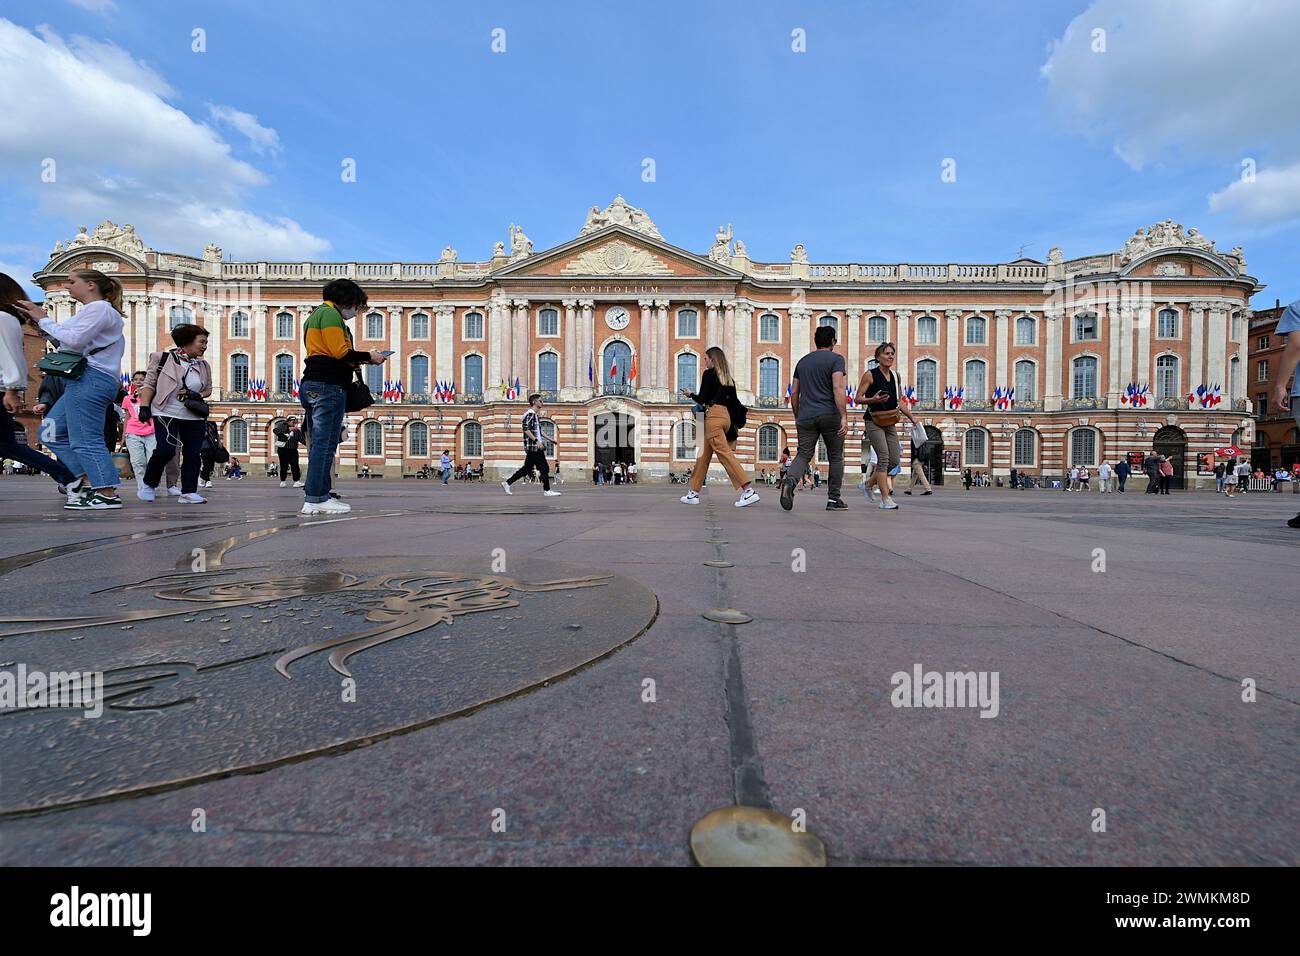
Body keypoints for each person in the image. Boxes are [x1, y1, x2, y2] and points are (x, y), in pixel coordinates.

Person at [13, 269, 126, 510]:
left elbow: (73, 341)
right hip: (82, 379)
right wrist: (42, 325)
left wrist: (44, 318)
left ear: (91, 285)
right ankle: (86, 479)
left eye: (73, 281)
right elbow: (68, 342)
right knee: (50, 433)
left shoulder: (100, 309)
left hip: (91, 378)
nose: (67, 285)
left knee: (86, 438)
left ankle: (106, 492)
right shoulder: (91, 311)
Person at [299, 280, 386, 515]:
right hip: (328, 385)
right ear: (347, 300)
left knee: (321, 443)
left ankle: (320, 495)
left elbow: (332, 352)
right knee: (325, 444)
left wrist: (365, 358)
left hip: (315, 383)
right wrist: (370, 355)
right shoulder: (329, 315)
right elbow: (340, 352)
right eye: (357, 306)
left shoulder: (316, 316)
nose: (356, 312)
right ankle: (316, 498)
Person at [0, 272, 83, 492]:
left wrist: (12, 390)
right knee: (9, 446)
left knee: (10, 447)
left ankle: (70, 478)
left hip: (1, 390)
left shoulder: (3, 318)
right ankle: (69, 478)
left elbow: (11, 356)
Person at [135, 322, 213, 504]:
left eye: (206, 342)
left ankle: (188, 492)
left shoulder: (204, 365)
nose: (204, 346)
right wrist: (145, 407)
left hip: (193, 414)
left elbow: (208, 390)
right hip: (165, 412)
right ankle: (149, 484)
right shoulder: (161, 359)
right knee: (165, 449)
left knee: (193, 453)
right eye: (201, 341)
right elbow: (149, 383)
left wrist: (196, 394)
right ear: (187, 341)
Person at [679, 346, 759, 508]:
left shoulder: (709, 374)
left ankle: (748, 490)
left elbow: (702, 399)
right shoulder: (728, 379)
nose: (705, 361)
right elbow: (734, 403)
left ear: (713, 359)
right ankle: (693, 493)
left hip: (713, 416)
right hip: (725, 417)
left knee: (724, 453)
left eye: (706, 358)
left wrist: (690, 394)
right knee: (703, 455)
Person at [780, 326, 845, 511]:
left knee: (803, 454)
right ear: (833, 341)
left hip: (806, 416)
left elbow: (794, 392)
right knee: (835, 456)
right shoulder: (836, 359)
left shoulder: (803, 362)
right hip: (830, 414)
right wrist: (844, 417)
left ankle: (790, 482)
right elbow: (838, 388)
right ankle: (834, 499)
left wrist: (797, 415)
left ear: (816, 341)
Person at [502, 393, 561, 497]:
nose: (542, 402)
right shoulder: (530, 414)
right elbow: (526, 429)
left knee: (527, 468)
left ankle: (507, 483)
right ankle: (547, 490)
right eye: (540, 401)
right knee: (544, 468)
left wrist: (550, 439)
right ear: (534, 402)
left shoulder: (535, 415)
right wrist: (537, 441)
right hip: (534, 447)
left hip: (534, 446)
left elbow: (539, 431)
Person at [118, 370, 157, 495]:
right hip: (133, 432)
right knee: (137, 461)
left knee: (152, 460)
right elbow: (127, 418)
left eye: (142, 379)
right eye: (136, 379)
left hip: (151, 431)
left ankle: (151, 484)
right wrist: (123, 435)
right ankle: (142, 486)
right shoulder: (127, 399)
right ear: (133, 382)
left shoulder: (153, 396)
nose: (139, 381)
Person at [274, 416, 303, 487]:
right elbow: (275, 430)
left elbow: (302, 439)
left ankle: (296, 481)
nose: (294, 424)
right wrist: (287, 429)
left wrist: (310, 445)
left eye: (295, 422)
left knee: (295, 466)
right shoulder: (283, 426)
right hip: (283, 449)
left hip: (293, 450)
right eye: (293, 422)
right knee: (284, 465)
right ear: (288, 422)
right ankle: (283, 481)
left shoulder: (297, 431)